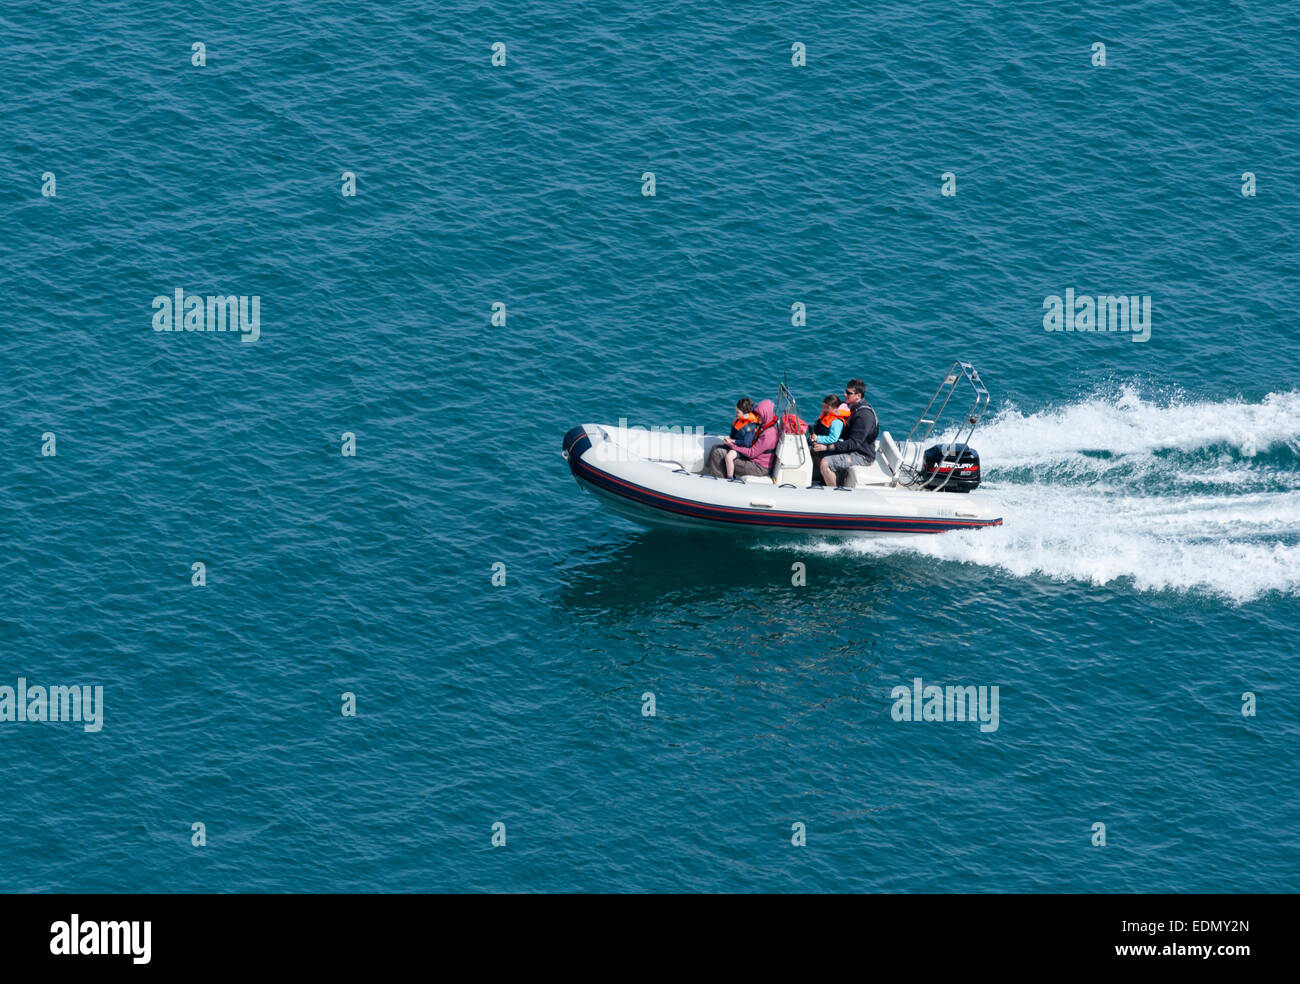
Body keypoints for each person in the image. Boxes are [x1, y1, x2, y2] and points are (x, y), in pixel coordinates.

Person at [810, 378, 878, 487]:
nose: (845, 394)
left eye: (848, 393)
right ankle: (825, 480)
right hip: (848, 446)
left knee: (825, 463)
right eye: (845, 391)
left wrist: (827, 447)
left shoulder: (864, 416)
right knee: (815, 450)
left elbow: (853, 444)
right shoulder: (848, 407)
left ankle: (834, 494)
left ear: (858, 396)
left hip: (861, 455)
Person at [705, 399, 778, 479]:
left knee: (719, 454)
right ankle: (712, 473)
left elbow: (752, 453)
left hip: (759, 467)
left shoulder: (769, 434)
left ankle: (721, 482)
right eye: (757, 414)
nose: (757, 417)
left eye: (760, 415)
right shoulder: (764, 423)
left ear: (766, 415)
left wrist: (732, 445)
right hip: (752, 459)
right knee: (716, 447)